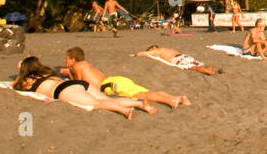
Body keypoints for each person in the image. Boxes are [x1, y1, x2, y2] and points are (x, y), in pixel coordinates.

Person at [11, 56, 152, 118]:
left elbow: (15, 84)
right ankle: (139, 103)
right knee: (106, 98)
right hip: (74, 84)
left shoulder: (26, 80)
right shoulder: (47, 72)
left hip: (63, 91)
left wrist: (21, 72)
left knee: (97, 103)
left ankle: (124, 110)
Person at [62, 47, 190, 109]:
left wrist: (68, 74)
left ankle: (171, 100)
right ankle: (178, 98)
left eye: (67, 58)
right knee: (145, 92)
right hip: (116, 80)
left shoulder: (78, 66)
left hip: (110, 85)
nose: (65, 61)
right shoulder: (86, 64)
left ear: (73, 59)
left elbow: (79, 84)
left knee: (142, 95)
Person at [137, 45, 222, 76]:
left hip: (178, 59)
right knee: (198, 64)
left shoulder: (159, 50)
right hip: (183, 56)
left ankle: (209, 72)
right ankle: (214, 69)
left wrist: (146, 53)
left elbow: (140, 54)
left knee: (193, 67)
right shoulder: (168, 49)